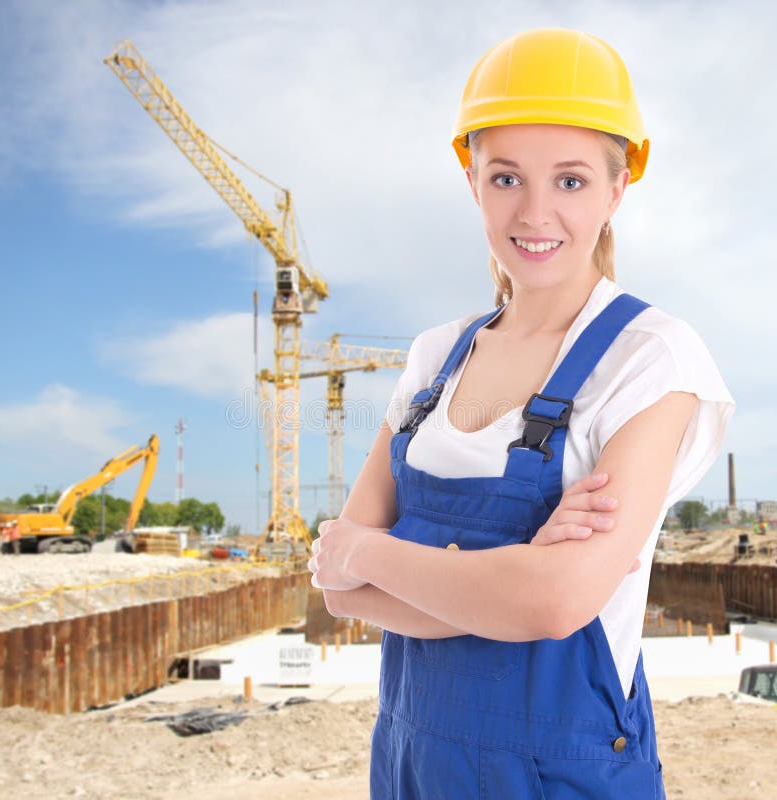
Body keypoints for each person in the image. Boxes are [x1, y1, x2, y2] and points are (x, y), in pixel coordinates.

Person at [308, 27, 734, 799]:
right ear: (472, 180)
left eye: (570, 181)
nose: (536, 213)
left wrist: (368, 553)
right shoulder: (434, 357)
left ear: (618, 188)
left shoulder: (651, 360)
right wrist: (507, 570)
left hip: (557, 778)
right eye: (506, 178)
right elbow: (337, 597)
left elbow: (553, 602)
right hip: (410, 765)